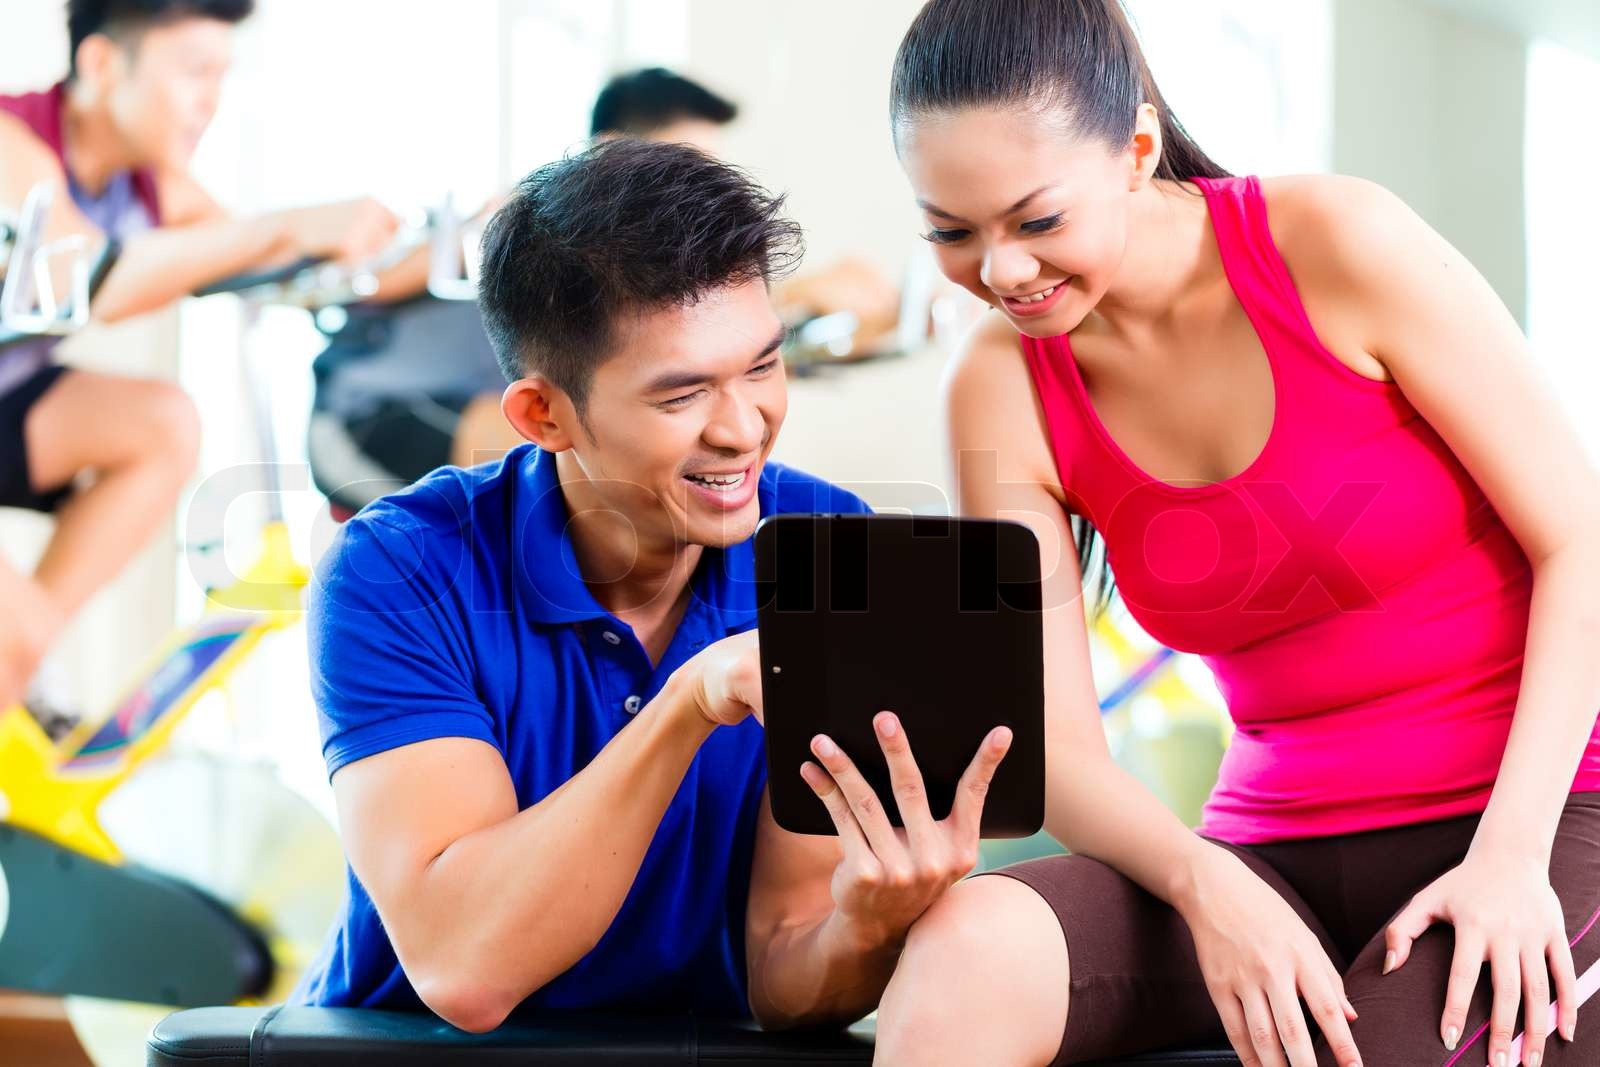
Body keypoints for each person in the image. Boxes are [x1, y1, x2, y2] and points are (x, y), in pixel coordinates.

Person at [871, 2, 1600, 1066]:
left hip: (1544, 815)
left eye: (1033, 221)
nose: (1002, 271)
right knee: (963, 954)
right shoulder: (997, 385)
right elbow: (1056, 744)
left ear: (1134, 148)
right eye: (950, 231)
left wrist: (1509, 857)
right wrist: (1203, 880)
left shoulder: (1338, 243)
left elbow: (1581, 540)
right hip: (1271, 850)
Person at [293, 138, 1012, 1032]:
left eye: (761, 364)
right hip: (417, 1056)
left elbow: (782, 968)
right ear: (543, 414)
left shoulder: (834, 551)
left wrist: (866, 924)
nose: (744, 428)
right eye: (682, 397)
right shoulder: (397, 570)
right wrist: (689, 703)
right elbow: (465, 968)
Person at [0, 0, 397, 714]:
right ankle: (22, 659)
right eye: (193, 71)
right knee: (11, 631)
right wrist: (286, 227)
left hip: (9, 404)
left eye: (222, 74)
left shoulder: (152, 184)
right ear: (99, 64)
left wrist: (462, 246)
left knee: (165, 422)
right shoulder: (11, 140)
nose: (209, 101)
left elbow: (281, 261)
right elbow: (89, 278)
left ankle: (27, 665)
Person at [309, 68, 744, 516]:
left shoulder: (646, 264)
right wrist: (489, 231)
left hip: (496, 410)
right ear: (612, 150)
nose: (696, 193)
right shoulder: (534, 219)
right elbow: (360, 283)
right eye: (682, 167)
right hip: (371, 418)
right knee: (587, 451)